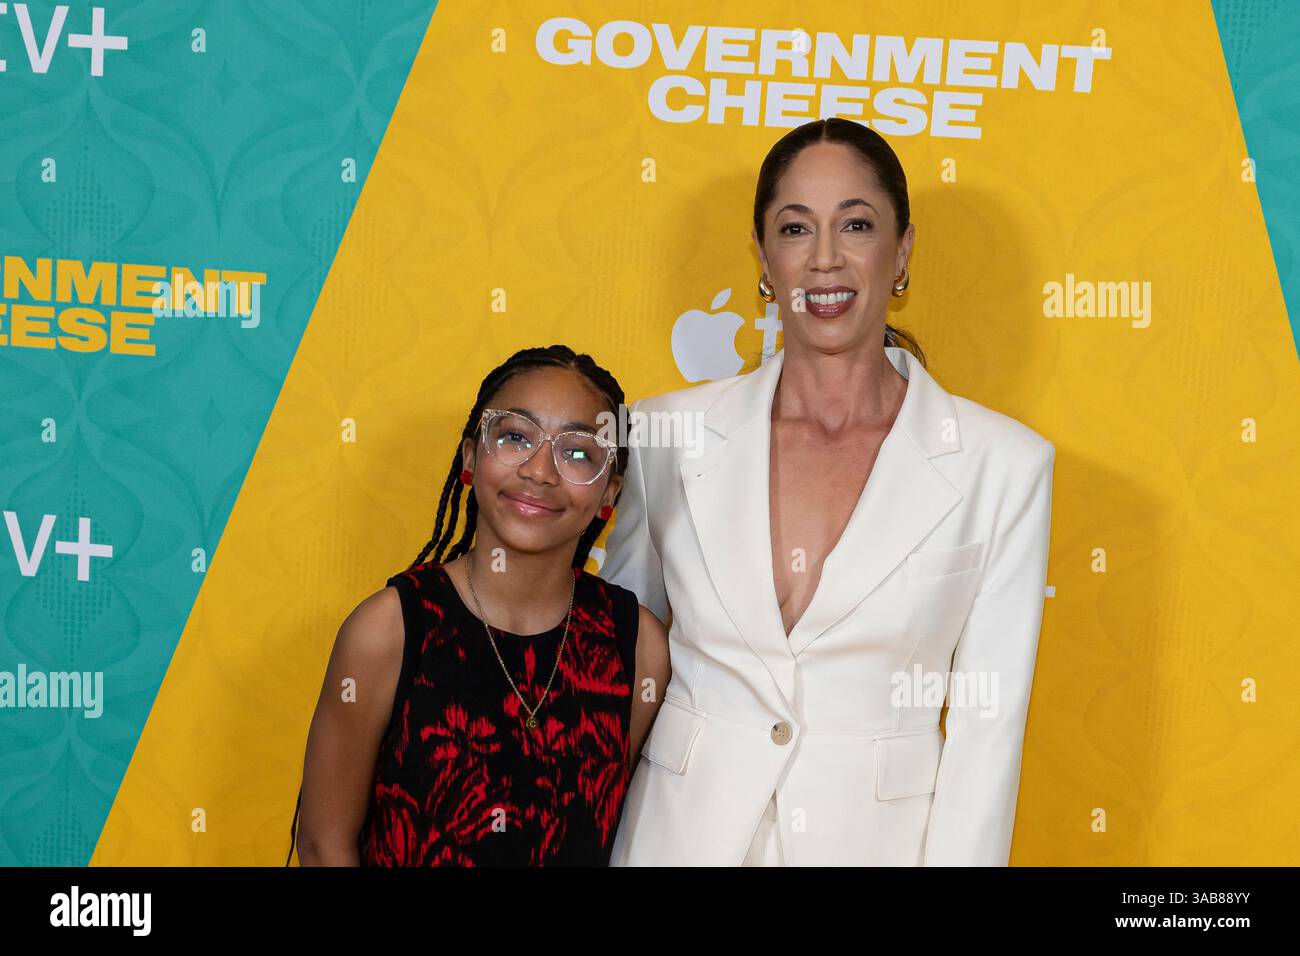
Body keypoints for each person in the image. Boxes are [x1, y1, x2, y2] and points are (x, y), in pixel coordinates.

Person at [601, 118, 1057, 866]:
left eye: (855, 224)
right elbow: (616, 670)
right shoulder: (663, 436)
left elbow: (987, 731)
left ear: (902, 248)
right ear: (762, 255)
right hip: (670, 841)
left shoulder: (1003, 466)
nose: (824, 260)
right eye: (794, 228)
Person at [288, 345, 670, 865]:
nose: (540, 471)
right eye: (515, 437)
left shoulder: (638, 646)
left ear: (610, 492)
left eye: (578, 452)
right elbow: (323, 845)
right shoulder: (391, 630)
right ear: (471, 456)